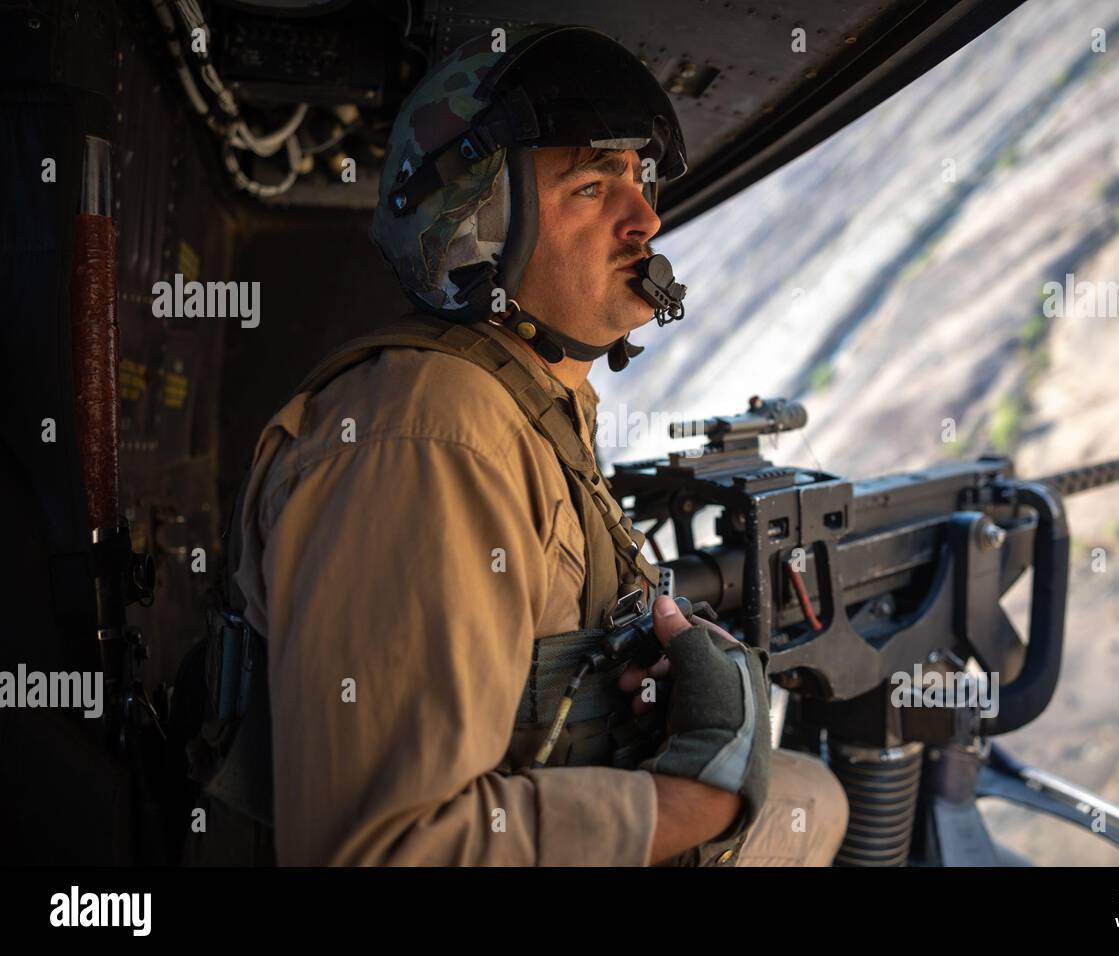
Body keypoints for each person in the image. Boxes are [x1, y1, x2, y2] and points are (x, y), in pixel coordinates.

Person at [220, 24, 847, 866]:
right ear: (477, 225)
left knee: (810, 795)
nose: (646, 218)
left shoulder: (529, 400)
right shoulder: (426, 436)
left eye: (638, 177)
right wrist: (688, 803)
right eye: (593, 185)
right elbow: (384, 850)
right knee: (808, 801)